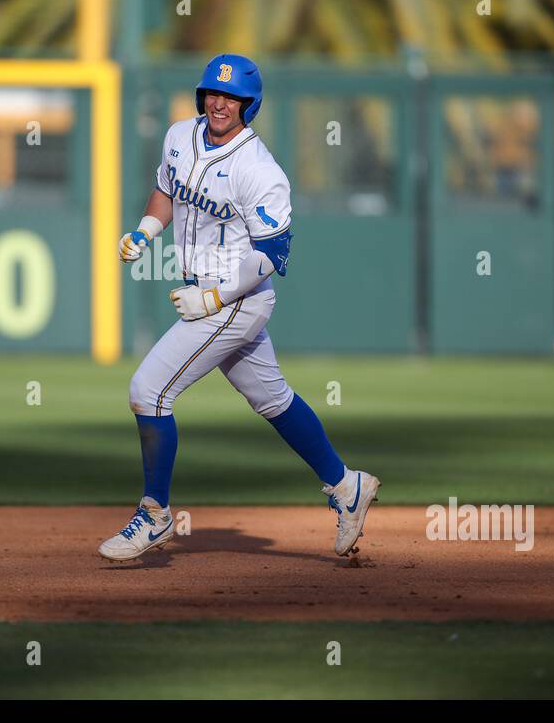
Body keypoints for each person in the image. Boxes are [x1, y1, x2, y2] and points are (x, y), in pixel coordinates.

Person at [98, 54, 380, 561]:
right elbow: (165, 191)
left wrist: (214, 296)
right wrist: (145, 231)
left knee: (148, 391)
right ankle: (347, 485)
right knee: (274, 401)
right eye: (212, 93)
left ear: (250, 105)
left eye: (232, 97)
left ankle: (156, 516)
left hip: (236, 299)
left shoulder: (259, 169)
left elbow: (271, 254)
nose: (220, 103)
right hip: (204, 290)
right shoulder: (180, 136)